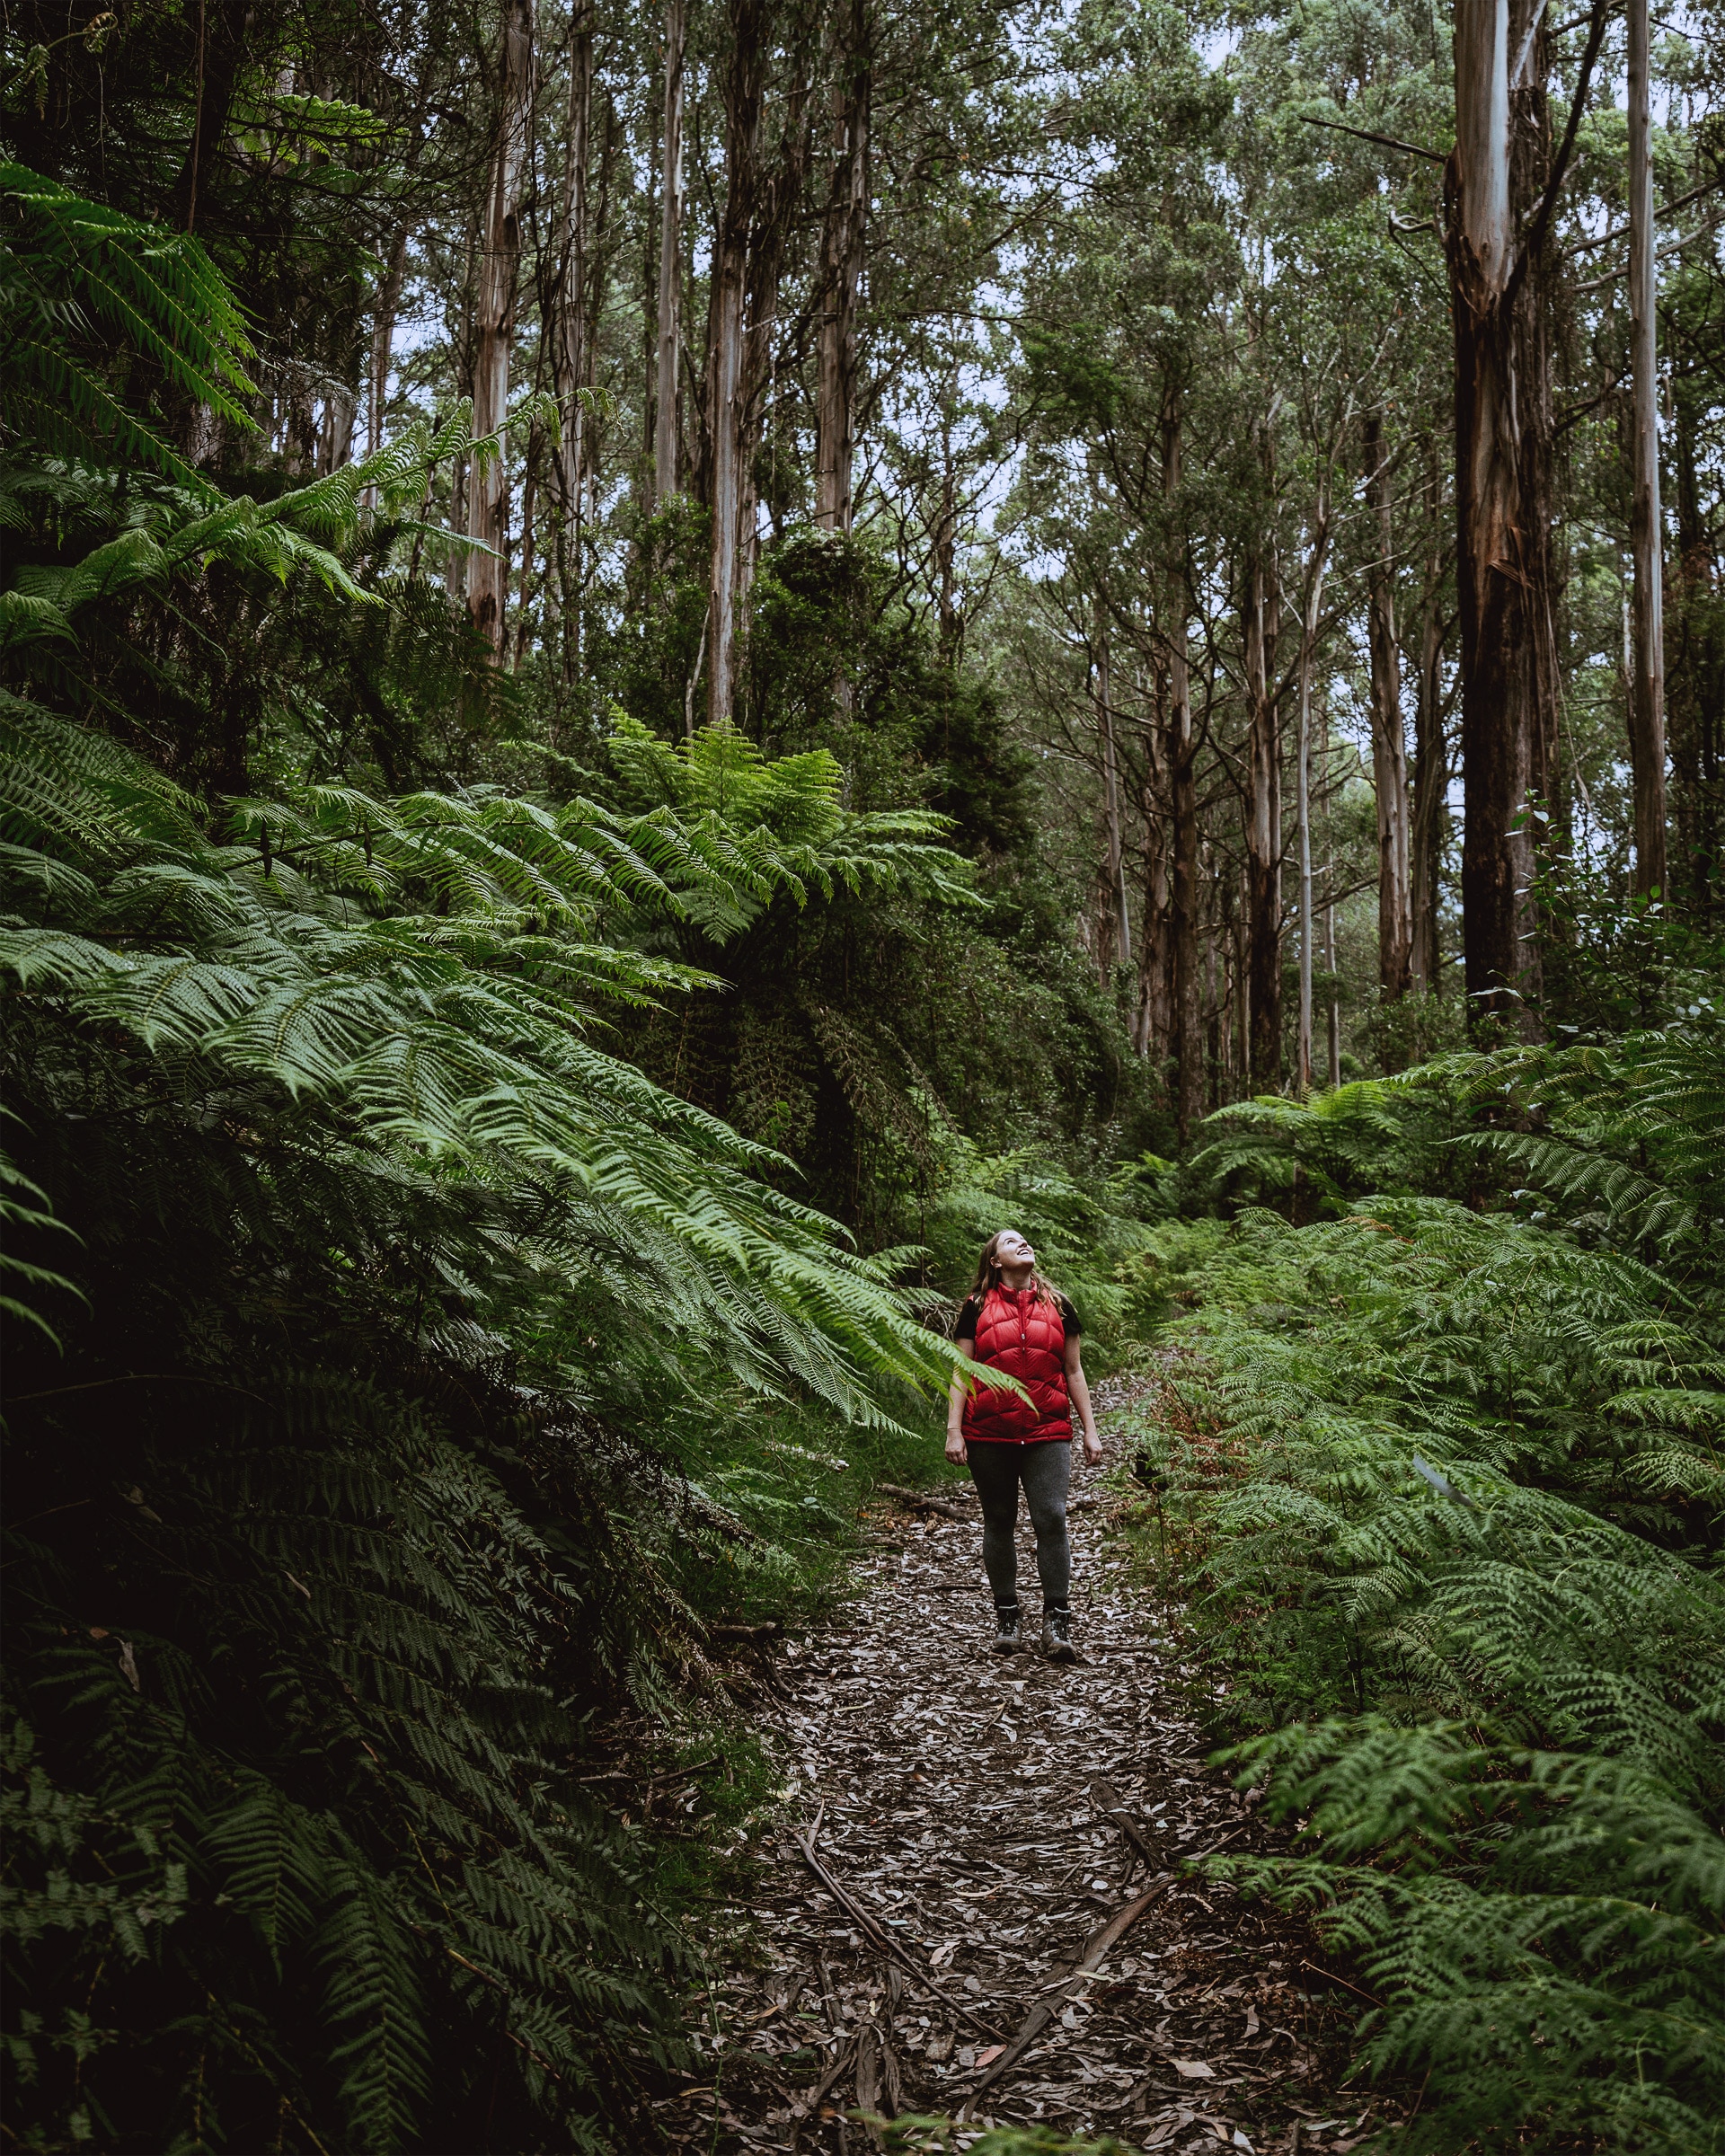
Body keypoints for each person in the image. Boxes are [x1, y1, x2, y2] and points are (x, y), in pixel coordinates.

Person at [944, 1228, 1101, 1662]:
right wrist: (953, 1429)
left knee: (1051, 1517)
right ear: (995, 1261)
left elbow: (1073, 1371)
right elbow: (961, 1371)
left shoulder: (1060, 1305)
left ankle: (1057, 1621)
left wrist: (1090, 1429)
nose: (1023, 1244)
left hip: (1047, 1431)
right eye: (1011, 1242)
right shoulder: (975, 1307)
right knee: (998, 1520)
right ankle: (1008, 1617)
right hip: (988, 1432)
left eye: (1025, 1240)